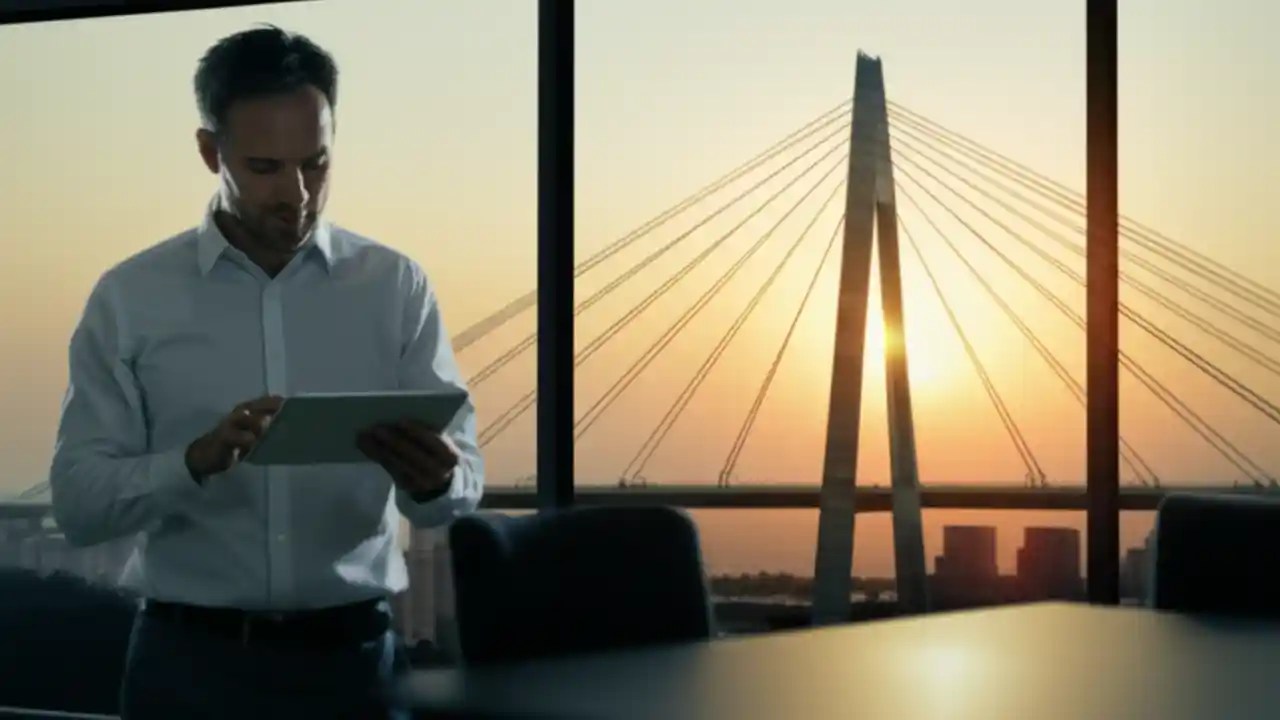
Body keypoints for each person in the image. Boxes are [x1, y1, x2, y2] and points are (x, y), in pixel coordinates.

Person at [47, 24, 484, 718]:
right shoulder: (131, 298)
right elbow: (77, 504)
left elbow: (461, 482)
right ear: (208, 152)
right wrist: (191, 461)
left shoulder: (394, 286)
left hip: (356, 668)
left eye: (316, 163)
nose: (299, 195)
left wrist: (437, 480)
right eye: (265, 168)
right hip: (188, 668)